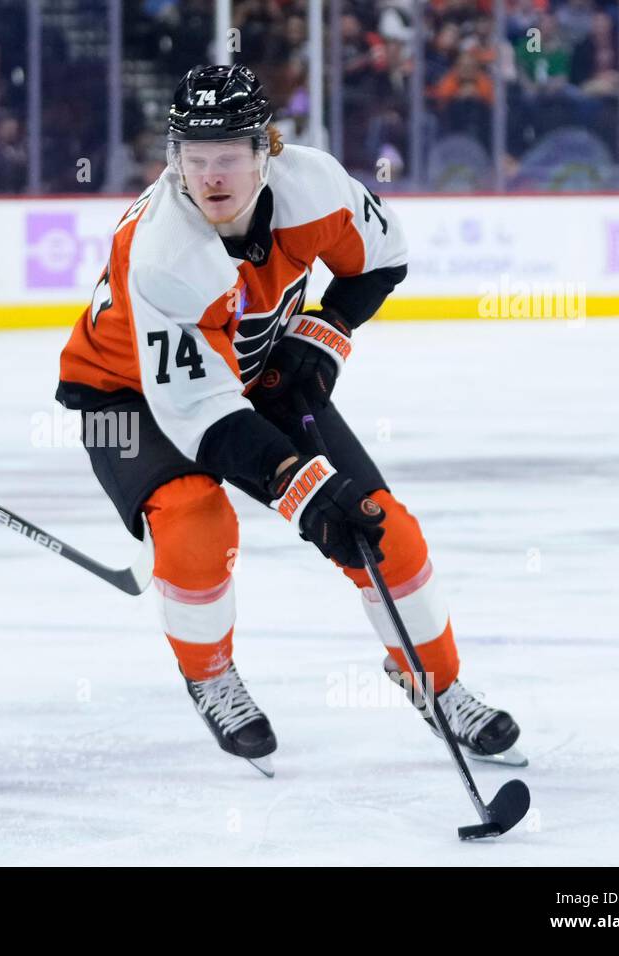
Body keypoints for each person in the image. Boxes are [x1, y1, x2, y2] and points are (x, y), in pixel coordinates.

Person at [56, 65, 523, 774]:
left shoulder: (316, 187)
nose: (211, 176)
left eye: (230, 157)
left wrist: (327, 329)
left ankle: (439, 687)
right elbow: (203, 419)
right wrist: (303, 494)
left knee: (380, 526)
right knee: (196, 520)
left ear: (266, 150)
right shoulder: (164, 253)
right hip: (118, 398)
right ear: (175, 158)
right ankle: (211, 676)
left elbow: (381, 261)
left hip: (247, 368)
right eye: (195, 157)